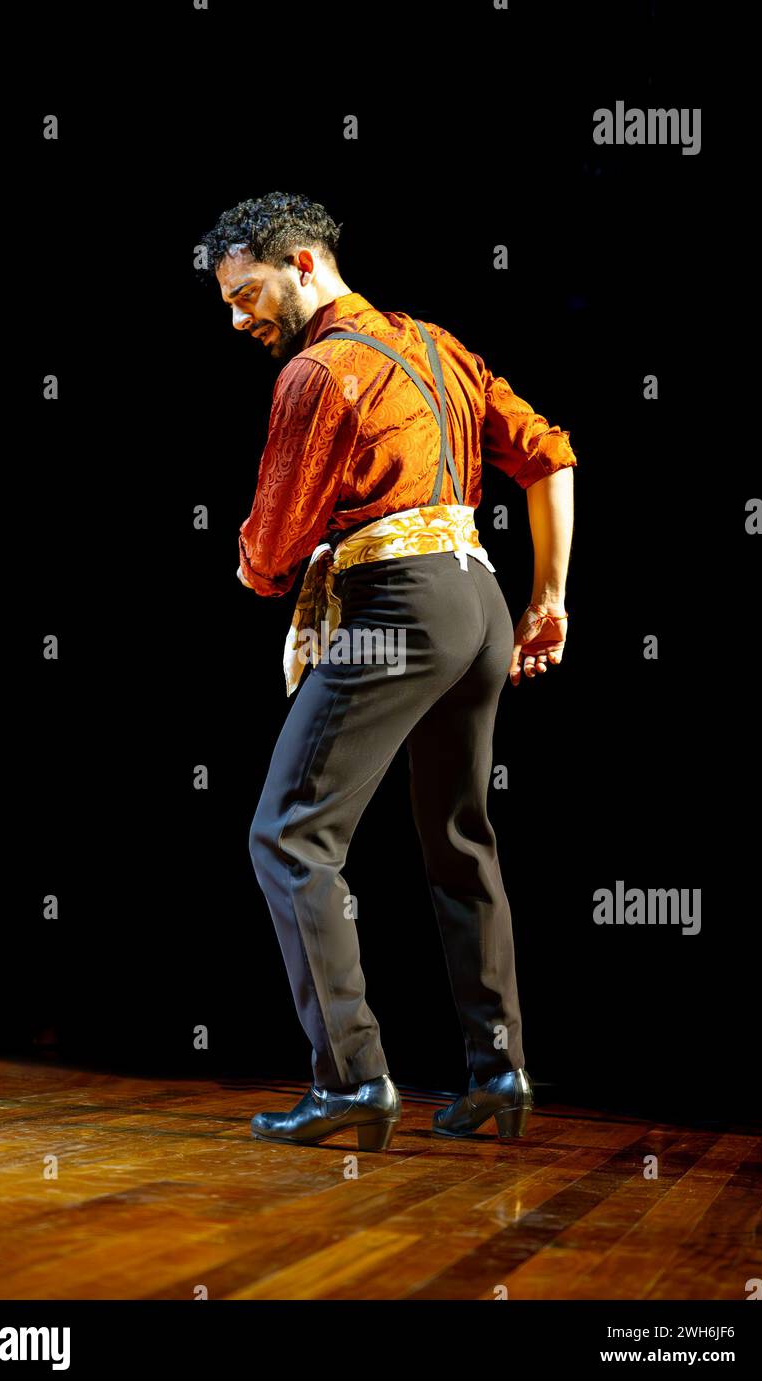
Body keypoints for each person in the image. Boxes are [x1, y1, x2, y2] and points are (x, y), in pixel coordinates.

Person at [199, 192, 576, 1152]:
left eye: (248, 293)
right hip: (480, 603)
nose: (240, 318)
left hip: (399, 605)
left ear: (306, 265)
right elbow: (551, 457)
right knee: (461, 840)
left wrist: (265, 556)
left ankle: (351, 1079)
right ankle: (501, 1070)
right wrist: (549, 598)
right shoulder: (438, 345)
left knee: (289, 834)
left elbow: (267, 554)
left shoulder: (318, 371)